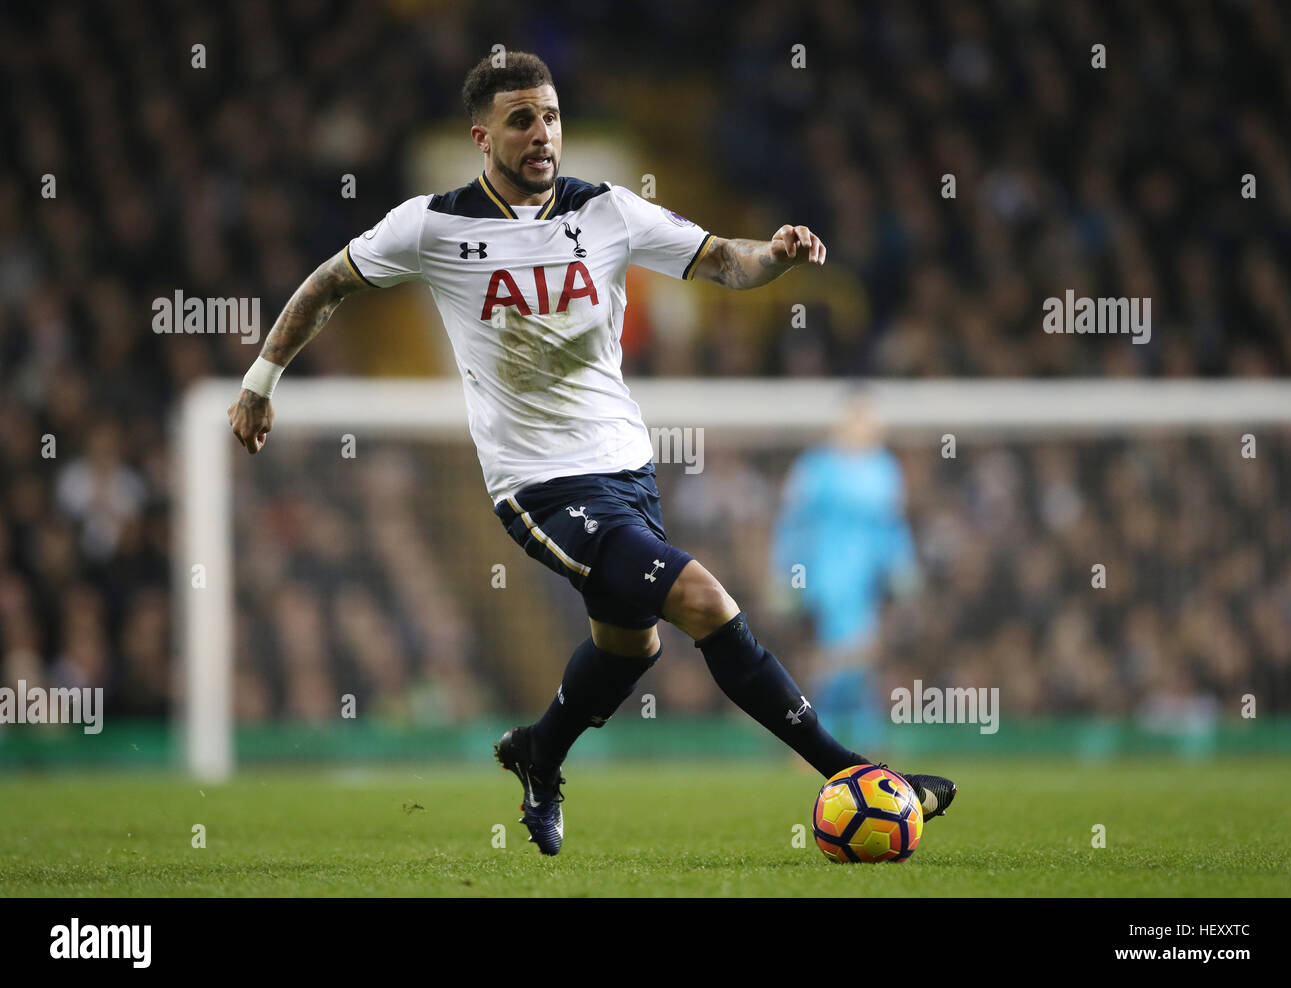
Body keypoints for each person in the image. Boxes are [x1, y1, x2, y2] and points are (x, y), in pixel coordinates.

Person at [227, 51, 955, 855]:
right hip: (537, 486)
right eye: (521, 120)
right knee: (704, 600)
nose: (543, 134)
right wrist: (261, 381)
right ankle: (856, 774)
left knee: (629, 647)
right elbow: (327, 283)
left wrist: (773, 256)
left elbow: (720, 258)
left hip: (626, 468)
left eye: (552, 116)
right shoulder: (430, 226)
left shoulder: (608, 211)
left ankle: (540, 753)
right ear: (481, 136)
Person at [771, 396, 919, 748]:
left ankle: (825, 736)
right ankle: (839, 737)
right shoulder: (815, 467)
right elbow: (793, 523)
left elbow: (892, 524)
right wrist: (785, 571)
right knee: (849, 649)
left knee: (854, 656)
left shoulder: (885, 469)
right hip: (826, 569)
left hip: (867, 575)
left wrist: (902, 564)